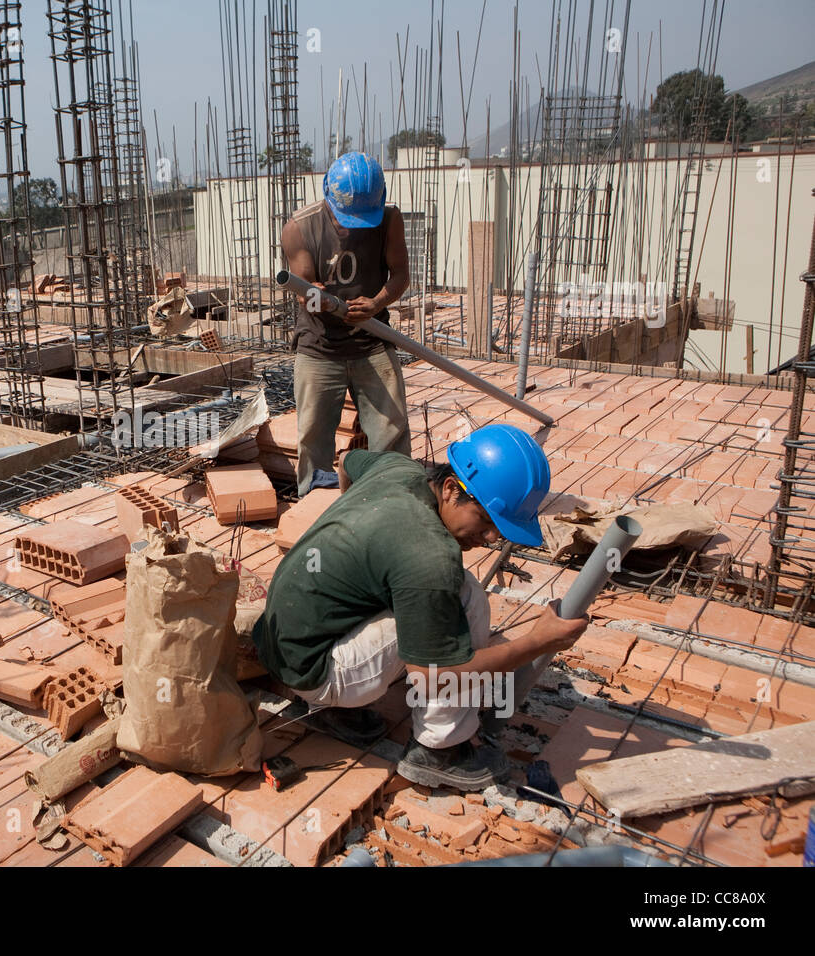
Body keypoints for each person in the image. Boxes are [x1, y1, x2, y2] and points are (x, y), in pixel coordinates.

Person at [252, 424, 589, 791]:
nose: (492, 538)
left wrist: (356, 529)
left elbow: (347, 461)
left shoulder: (398, 468)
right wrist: (539, 641)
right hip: (314, 672)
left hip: (281, 643)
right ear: (450, 489)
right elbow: (437, 675)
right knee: (467, 599)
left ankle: (331, 707)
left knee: (450, 590)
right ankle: (439, 750)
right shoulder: (429, 556)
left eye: (500, 529)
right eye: (487, 520)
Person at [282, 151, 411, 497]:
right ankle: (314, 507)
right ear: (329, 197)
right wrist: (318, 299)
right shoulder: (300, 227)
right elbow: (302, 292)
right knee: (313, 436)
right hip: (320, 346)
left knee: (391, 432)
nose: (353, 225)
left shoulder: (388, 219)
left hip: (372, 342)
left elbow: (400, 275)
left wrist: (377, 303)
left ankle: (393, 501)